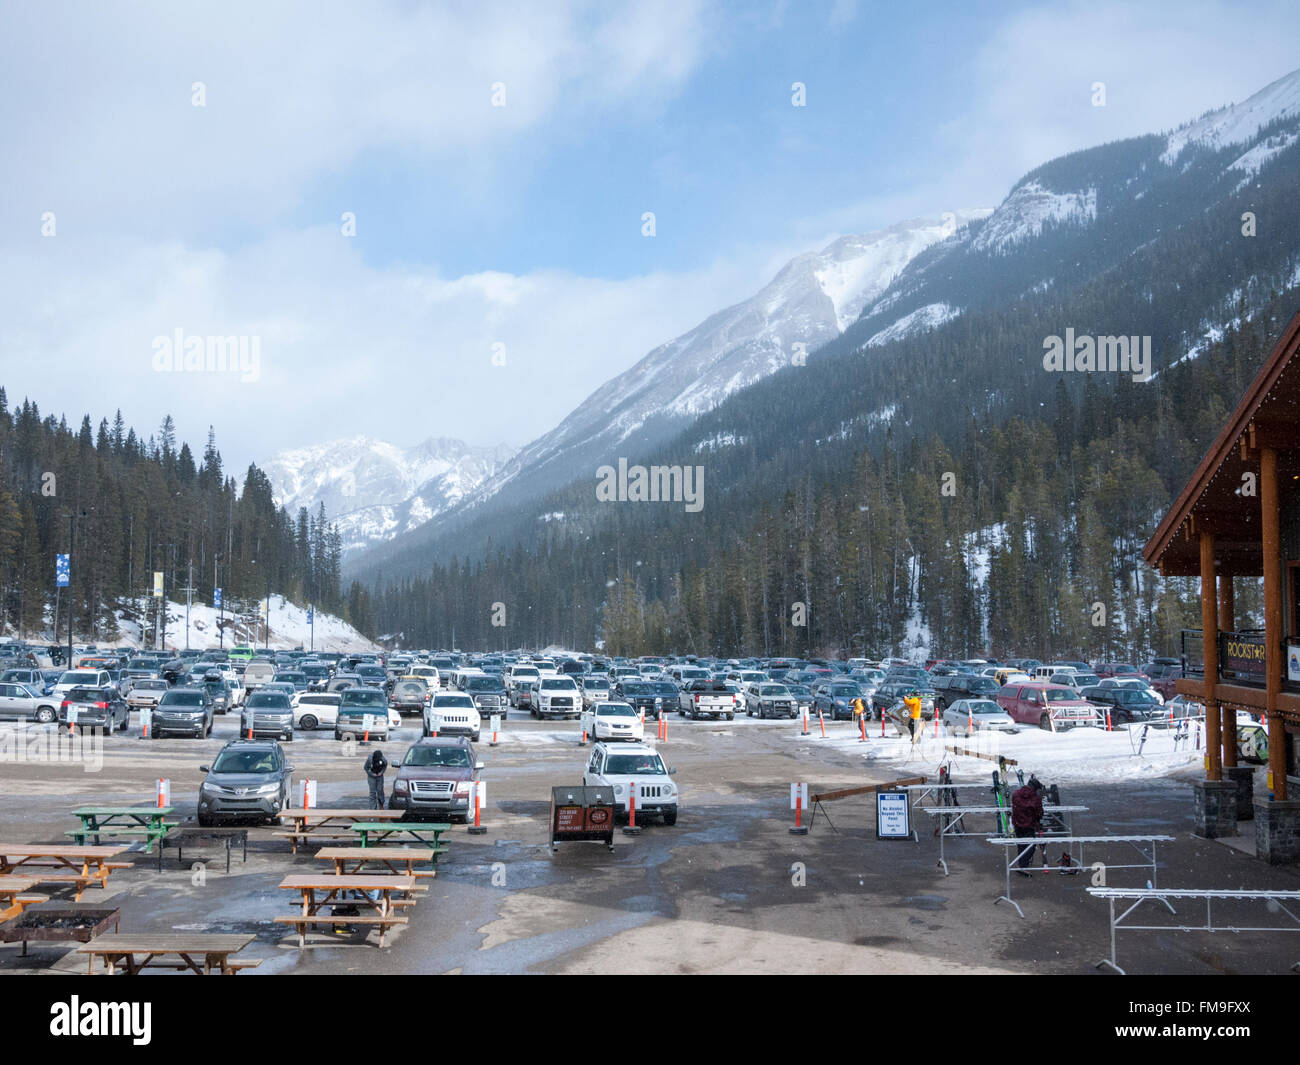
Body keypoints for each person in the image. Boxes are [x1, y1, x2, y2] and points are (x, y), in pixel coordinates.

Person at [1011, 776, 1044, 876]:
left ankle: (1021, 865)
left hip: (1017, 824)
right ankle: (1022, 866)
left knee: (1021, 845)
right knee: (1031, 846)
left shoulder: (1016, 794)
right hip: (1029, 825)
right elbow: (1040, 813)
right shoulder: (1035, 798)